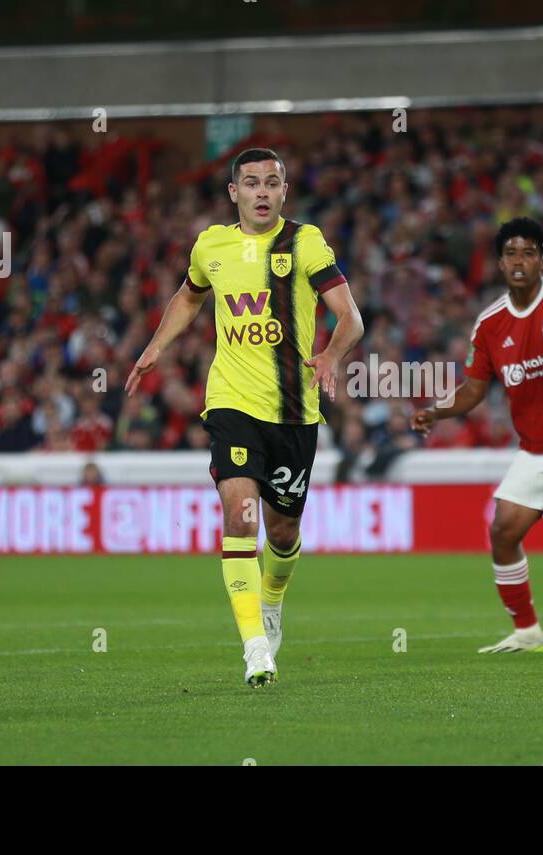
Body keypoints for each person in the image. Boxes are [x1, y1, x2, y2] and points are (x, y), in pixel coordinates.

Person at [125, 148, 363, 686]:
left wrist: (329, 356)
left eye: (271, 183)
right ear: (234, 192)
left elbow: (351, 317)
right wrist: (155, 347)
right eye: (251, 183)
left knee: (282, 531)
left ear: (284, 192)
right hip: (231, 402)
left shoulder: (306, 243)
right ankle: (256, 646)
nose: (261, 192)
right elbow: (189, 298)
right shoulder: (211, 244)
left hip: (294, 413)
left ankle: (272, 597)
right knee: (241, 517)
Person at [411, 217, 543, 655]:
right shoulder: (490, 323)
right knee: (503, 531)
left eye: (529, 253)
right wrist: (437, 411)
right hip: (534, 447)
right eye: (511, 253)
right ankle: (528, 632)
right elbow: (473, 389)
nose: (520, 261)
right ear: (500, 262)